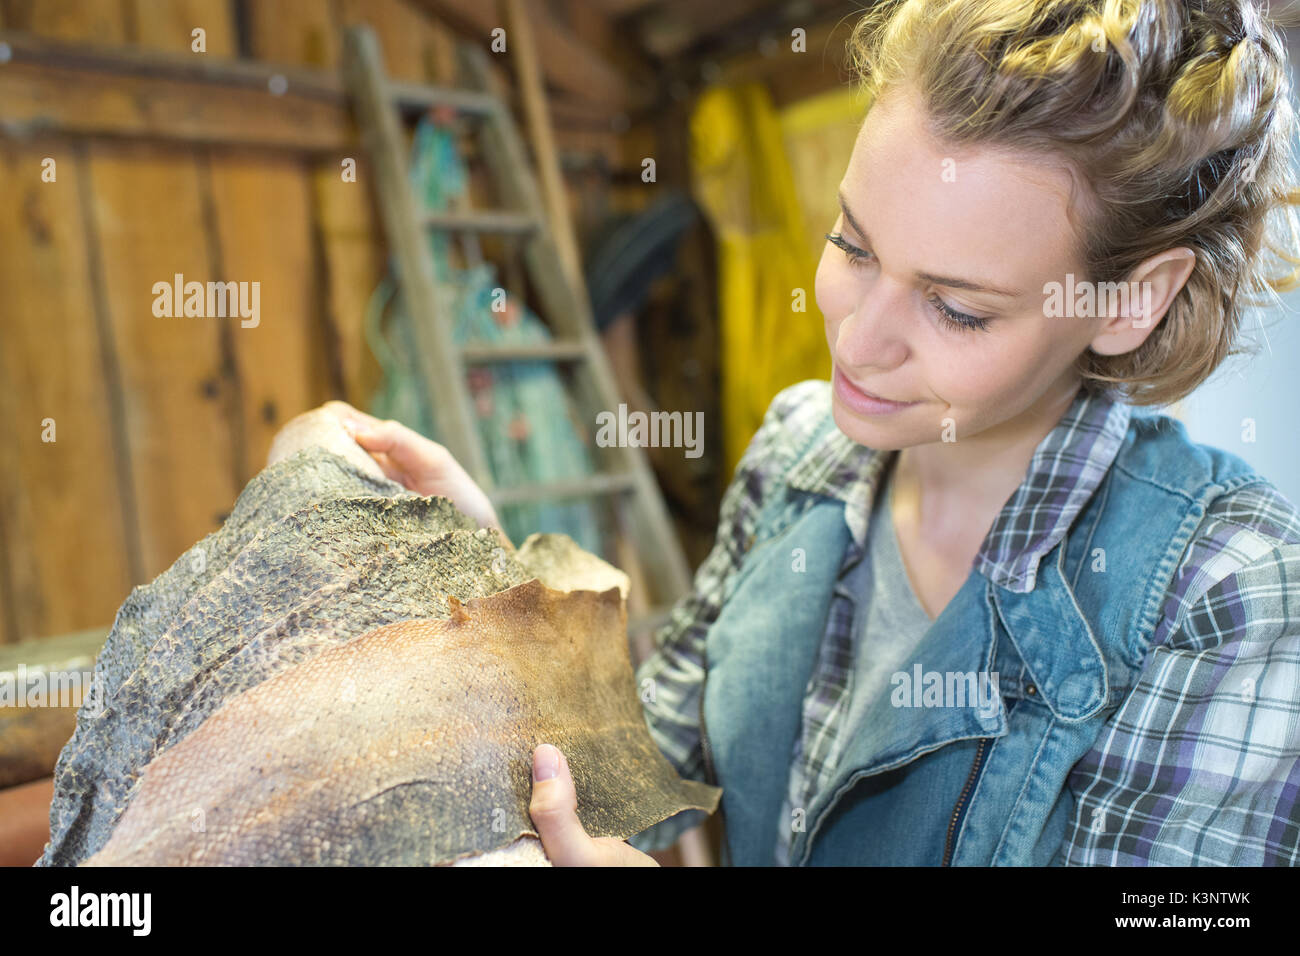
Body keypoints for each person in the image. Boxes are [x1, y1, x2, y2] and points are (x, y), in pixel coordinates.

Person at [320, 0, 1300, 865]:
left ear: (1127, 301)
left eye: (957, 309)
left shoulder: (1225, 592)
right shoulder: (802, 448)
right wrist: (493, 595)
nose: (857, 341)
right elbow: (647, 752)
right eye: (852, 245)